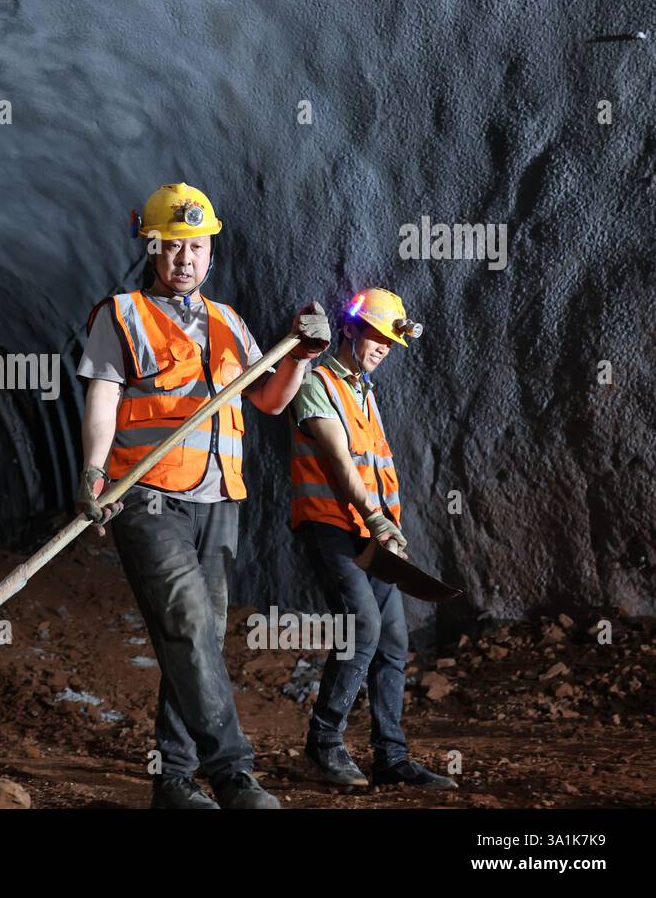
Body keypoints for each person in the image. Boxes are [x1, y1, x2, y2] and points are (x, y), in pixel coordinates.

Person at [76, 182, 330, 808]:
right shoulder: (123, 314)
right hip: (147, 496)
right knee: (188, 620)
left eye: (196, 246)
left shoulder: (229, 323)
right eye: (171, 246)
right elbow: (104, 396)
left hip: (220, 497)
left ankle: (172, 780)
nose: (185, 258)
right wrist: (93, 471)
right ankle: (232, 773)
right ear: (152, 249)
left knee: (197, 637)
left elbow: (268, 399)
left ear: (211, 251)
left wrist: (301, 355)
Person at [289, 287, 456, 790]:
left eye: (389, 342)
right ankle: (324, 742)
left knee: (392, 640)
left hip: (371, 530)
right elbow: (339, 462)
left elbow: (375, 467)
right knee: (361, 625)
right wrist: (376, 518)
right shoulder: (316, 382)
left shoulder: (365, 391)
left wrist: (387, 525)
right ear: (350, 328)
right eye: (376, 337)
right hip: (330, 524)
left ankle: (391, 757)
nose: (382, 348)